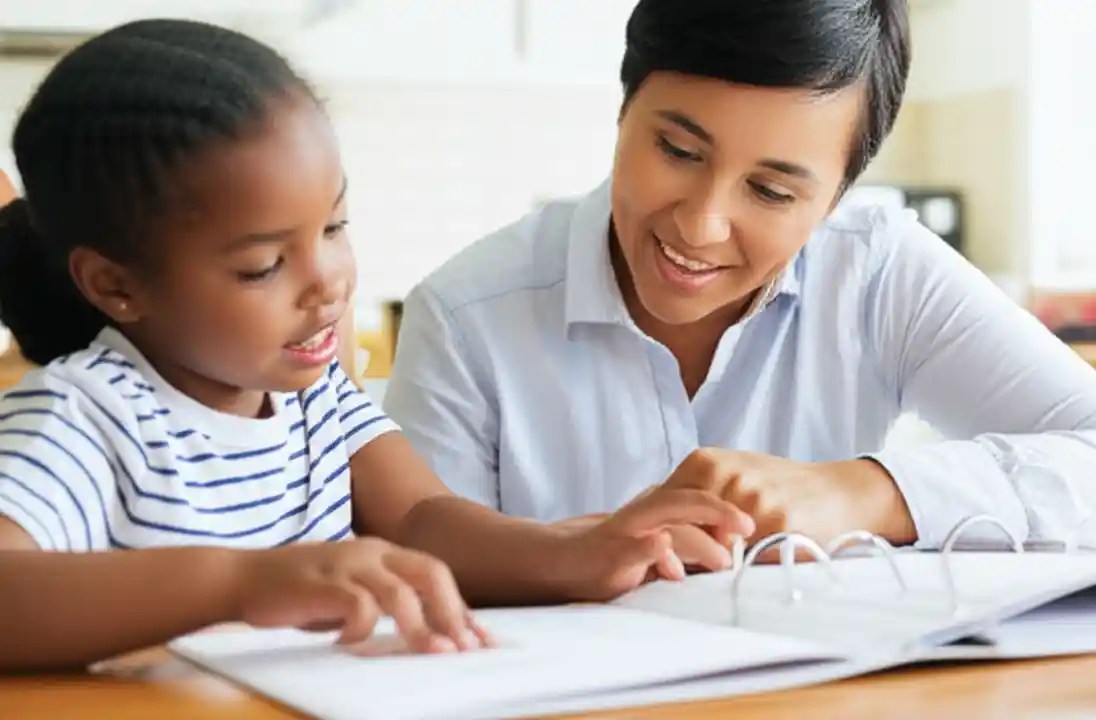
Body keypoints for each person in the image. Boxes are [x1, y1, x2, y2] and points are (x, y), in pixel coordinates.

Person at [0, 19, 751, 672]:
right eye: (263, 265)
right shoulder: (86, 417)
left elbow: (425, 519)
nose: (328, 282)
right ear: (116, 285)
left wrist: (571, 554)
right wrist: (244, 585)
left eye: (333, 228)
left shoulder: (317, 399)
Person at [384, 0, 1096, 564]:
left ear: (836, 198)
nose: (701, 225)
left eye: (773, 191)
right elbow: (418, 581)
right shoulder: (467, 317)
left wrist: (866, 490)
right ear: (623, 107)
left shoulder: (877, 269)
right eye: (676, 151)